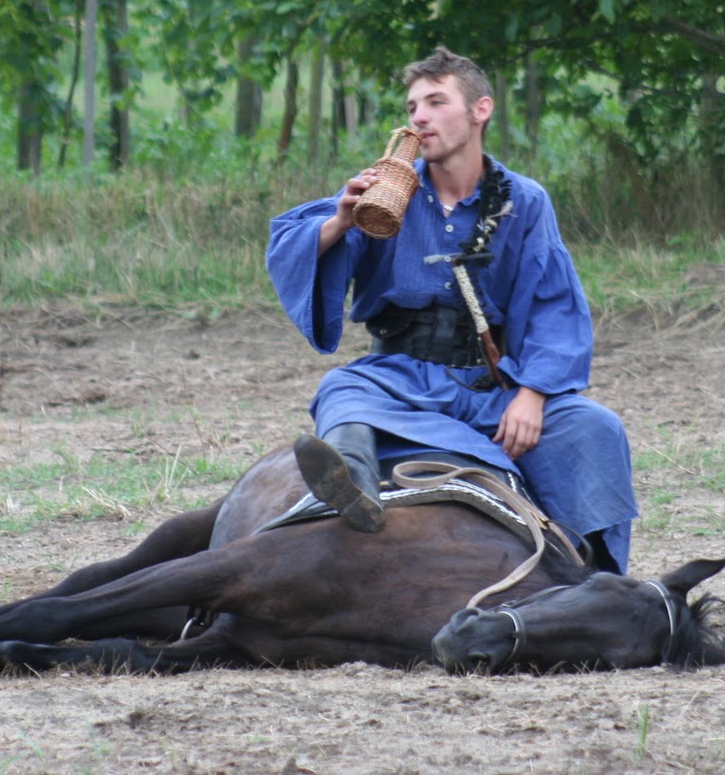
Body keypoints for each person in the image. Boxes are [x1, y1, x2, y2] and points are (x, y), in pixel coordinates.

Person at [267, 47, 638, 573]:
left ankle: (597, 574)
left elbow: (556, 302)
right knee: (342, 391)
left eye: (436, 101)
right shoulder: (385, 191)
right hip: (397, 377)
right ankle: (351, 486)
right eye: (413, 104)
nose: (418, 116)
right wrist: (341, 221)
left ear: (479, 110)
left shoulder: (525, 202)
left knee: (593, 426)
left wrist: (532, 394)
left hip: (492, 386)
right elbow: (291, 243)